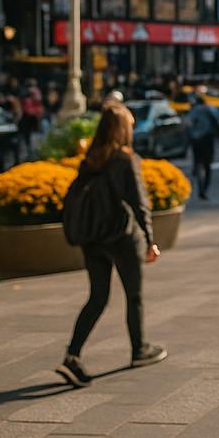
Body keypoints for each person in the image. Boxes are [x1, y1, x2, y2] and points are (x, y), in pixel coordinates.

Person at [56, 103, 165, 387]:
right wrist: (150, 240)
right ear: (123, 129)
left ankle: (73, 354)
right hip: (120, 236)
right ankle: (139, 349)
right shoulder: (124, 159)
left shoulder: (92, 158)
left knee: (98, 296)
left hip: (92, 238)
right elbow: (139, 203)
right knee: (134, 295)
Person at [185, 92, 219, 201]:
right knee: (207, 166)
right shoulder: (208, 110)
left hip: (196, 141)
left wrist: (188, 142)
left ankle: (200, 186)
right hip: (207, 140)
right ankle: (203, 190)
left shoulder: (192, 112)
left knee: (198, 164)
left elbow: (187, 127)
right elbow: (216, 124)